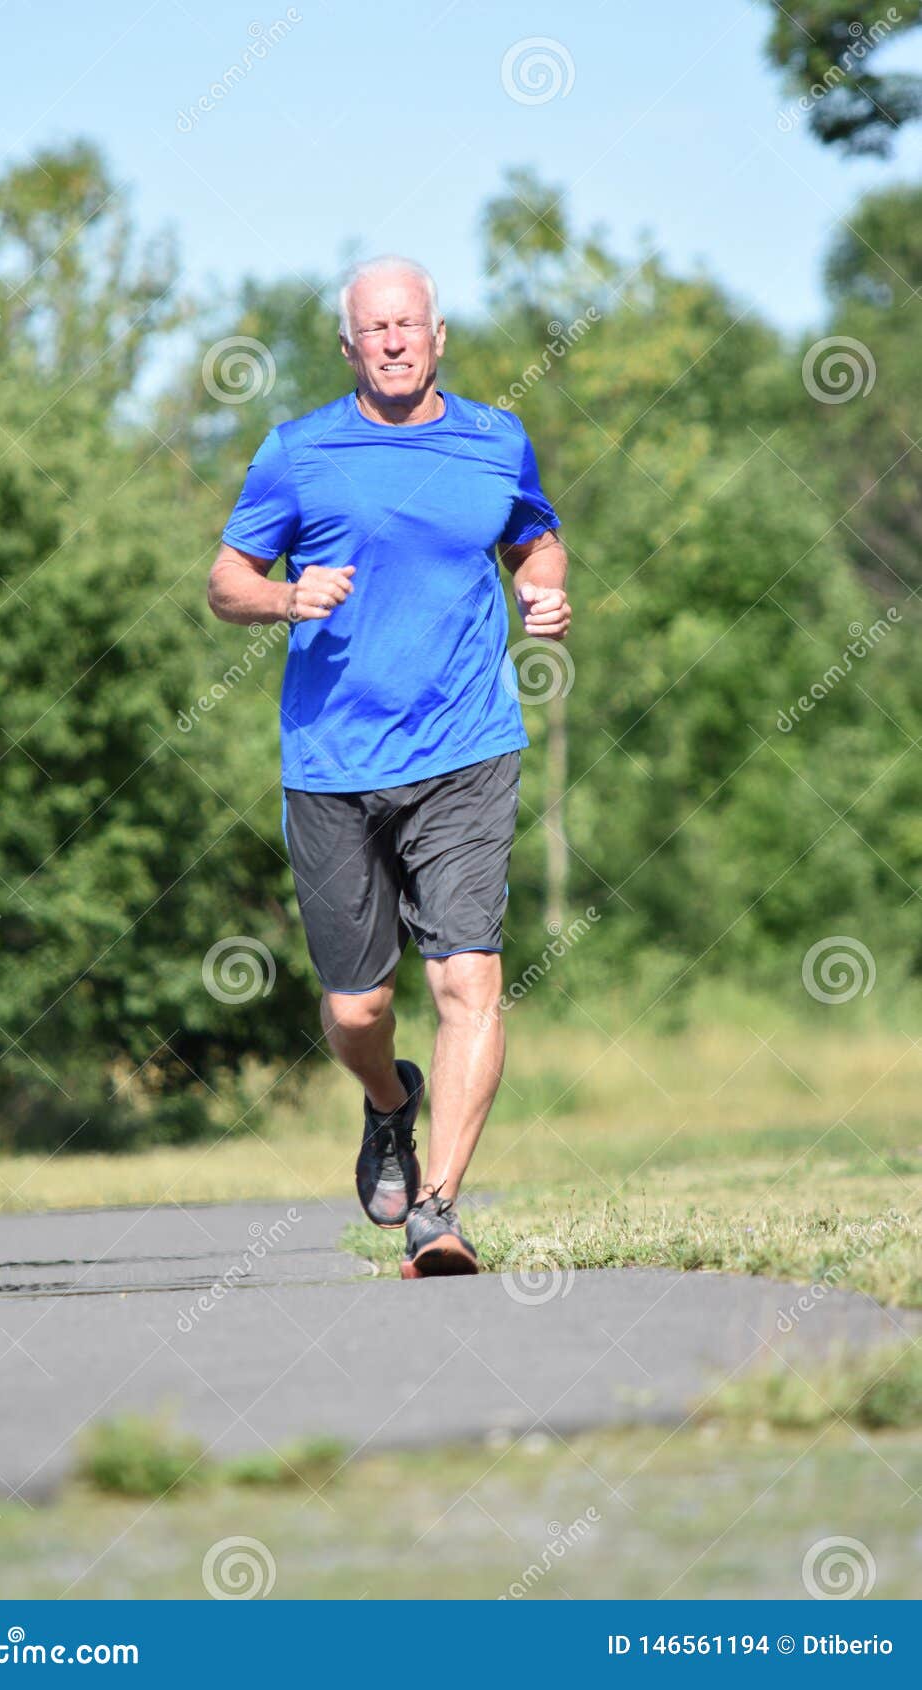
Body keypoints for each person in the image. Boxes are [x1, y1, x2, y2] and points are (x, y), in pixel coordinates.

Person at [207, 255, 570, 1278]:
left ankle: (440, 1210)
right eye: (376, 329)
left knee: (468, 977)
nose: (396, 340)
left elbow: (532, 538)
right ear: (349, 346)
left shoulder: (494, 439)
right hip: (331, 763)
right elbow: (225, 579)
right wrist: (285, 598)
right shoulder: (299, 452)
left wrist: (543, 588)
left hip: (466, 748)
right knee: (358, 1007)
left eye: (410, 323)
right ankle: (385, 1101)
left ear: (439, 334)